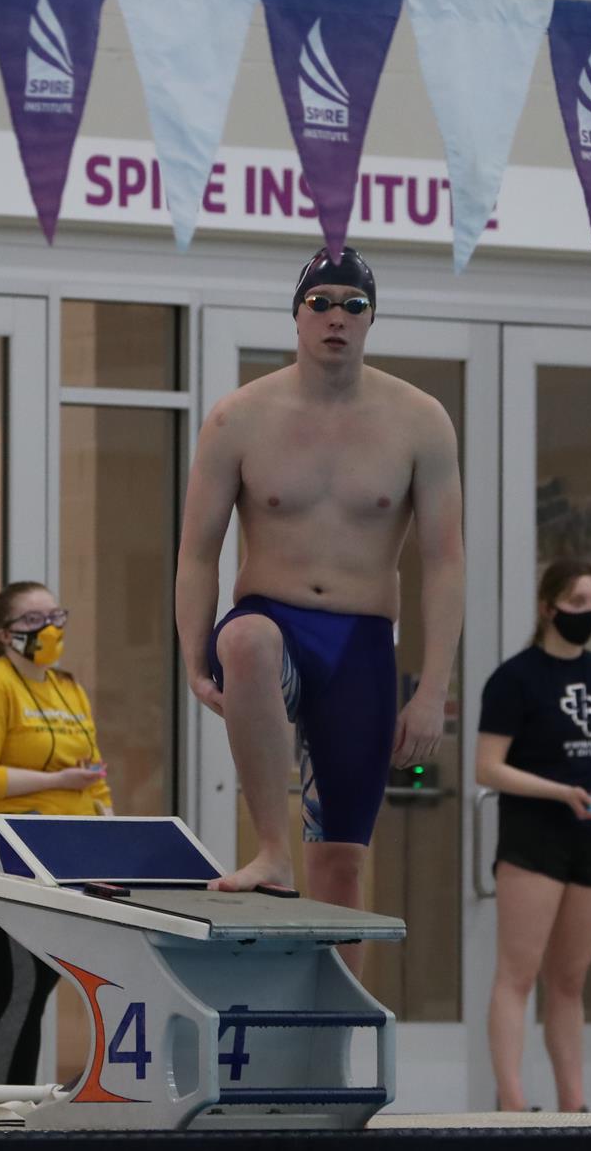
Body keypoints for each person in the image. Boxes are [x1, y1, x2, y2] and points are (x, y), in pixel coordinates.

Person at [175, 245, 464, 966]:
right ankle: (271, 848)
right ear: (297, 315)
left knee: (339, 868)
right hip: (273, 618)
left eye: (353, 305)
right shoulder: (238, 417)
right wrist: (192, 653)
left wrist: (432, 691)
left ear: (371, 320)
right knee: (245, 643)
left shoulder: (421, 421)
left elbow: (444, 560)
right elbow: (197, 550)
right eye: (321, 303)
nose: (337, 317)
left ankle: (333, 1047)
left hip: (363, 642)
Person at [475, 559, 591, 1113]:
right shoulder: (515, 677)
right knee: (518, 973)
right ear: (547, 606)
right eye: (577, 603)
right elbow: (488, 768)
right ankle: (511, 1101)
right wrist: (557, 792)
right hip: (534, 836)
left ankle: (573, 1104)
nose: (588, 613)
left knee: (570, 980)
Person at [0, 582, 113, 1085]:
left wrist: (107, 823)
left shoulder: (69, 687)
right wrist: (58, 782)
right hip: (6, 849)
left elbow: (93, 773)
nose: (47, 629)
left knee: (42, 982)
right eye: (31, 620)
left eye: (54, 615)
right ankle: (0, 1106)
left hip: (66, 852)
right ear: (4, 634)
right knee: (20, 984)